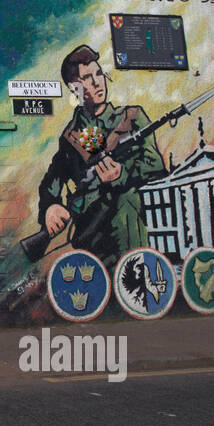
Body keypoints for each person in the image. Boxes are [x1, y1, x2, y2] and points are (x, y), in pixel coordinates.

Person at [36, 44, 166, 268]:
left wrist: (121, 174)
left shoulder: (132, 118)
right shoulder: (71, 138)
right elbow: (51, 182)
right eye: (87, 78)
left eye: (99, 74)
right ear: (74, 87)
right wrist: (50, 207)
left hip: (132, 233)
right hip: (91, 239)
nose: (97, 82)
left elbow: (155, 165)